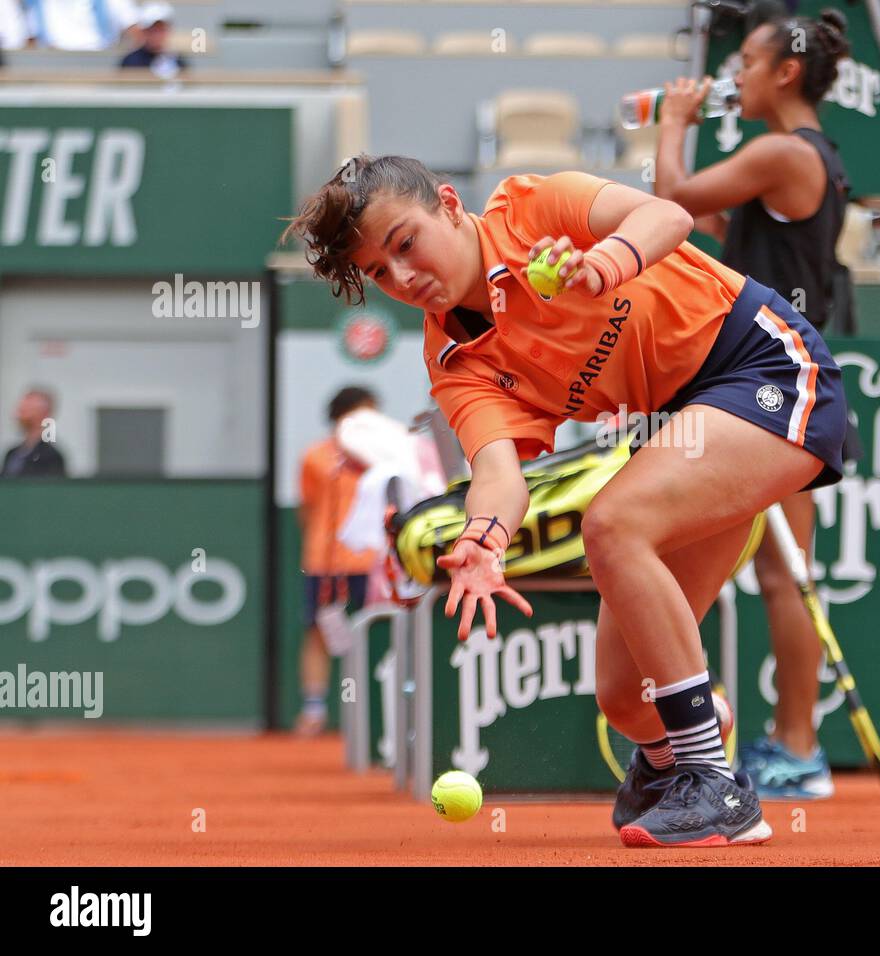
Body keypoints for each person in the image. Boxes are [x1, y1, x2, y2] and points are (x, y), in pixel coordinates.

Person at [281, 155, 848, 848]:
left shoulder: (533, 206)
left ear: (450, 206)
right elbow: (498, 473)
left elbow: (668, 215)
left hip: (767, 366)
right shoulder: (457, 362)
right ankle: (678, 750)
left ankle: (712, 781)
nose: (404, 278)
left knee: (614, 523)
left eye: (405, 244)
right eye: (379, 272)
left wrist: (609, 260)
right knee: (626, 698)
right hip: (684, 426)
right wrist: (483, 542)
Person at [651, 9, 853, 801]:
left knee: (785, 578)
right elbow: (708, 218)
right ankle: (780, 742)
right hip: (771, 383)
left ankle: (798, 748)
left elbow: (672, 200)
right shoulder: (804, 159)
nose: (733, 76)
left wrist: (673, 122)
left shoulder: (779, 151)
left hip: (781, 386)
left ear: (787, 72)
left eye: (745, 63)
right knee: (779, 575)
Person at [295, 386, 379, 736]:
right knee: (319, 632)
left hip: (376, 563)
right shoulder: (315, 456)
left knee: (380, 634)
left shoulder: (385, 456)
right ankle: (314, 711)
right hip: (327, 564)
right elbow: (307, 507)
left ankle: (372, 717)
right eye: (361, 414)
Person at [22, 0, 141, 51]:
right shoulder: (37, 3)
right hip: (50, 68)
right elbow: (29, 40)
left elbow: (136, 35)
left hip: (103, 67)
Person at [3, 388, 66, 477]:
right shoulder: (12, 453)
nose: (19, 415)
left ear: (44, 414)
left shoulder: (51, 457)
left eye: (28, 410)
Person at [120, 2, 185, 77]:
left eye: (161, 29)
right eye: (153, 29)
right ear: (144, 31)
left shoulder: (179, 61)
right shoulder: (130, 61)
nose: (157, 34)